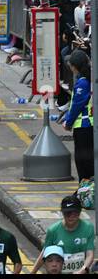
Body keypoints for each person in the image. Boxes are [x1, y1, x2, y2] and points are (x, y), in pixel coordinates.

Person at [34, 194, 95, 274]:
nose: (71, 217)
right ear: (62, 213)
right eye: (68, 213)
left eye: (75, 213)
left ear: (80, 212)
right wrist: (33, 272)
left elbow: (90, 254)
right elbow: (44, 253)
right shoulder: (53, 230)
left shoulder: (88, 228)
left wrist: (83, 269)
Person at [64, 50, 93, 186]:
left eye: (70, 65)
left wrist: (68, 122)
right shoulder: (89, 79)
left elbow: (77, 105)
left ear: (75, 66)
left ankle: (85, 190)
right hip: (88, 127)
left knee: (83, 164)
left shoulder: (82, 83)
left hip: (83, 127)